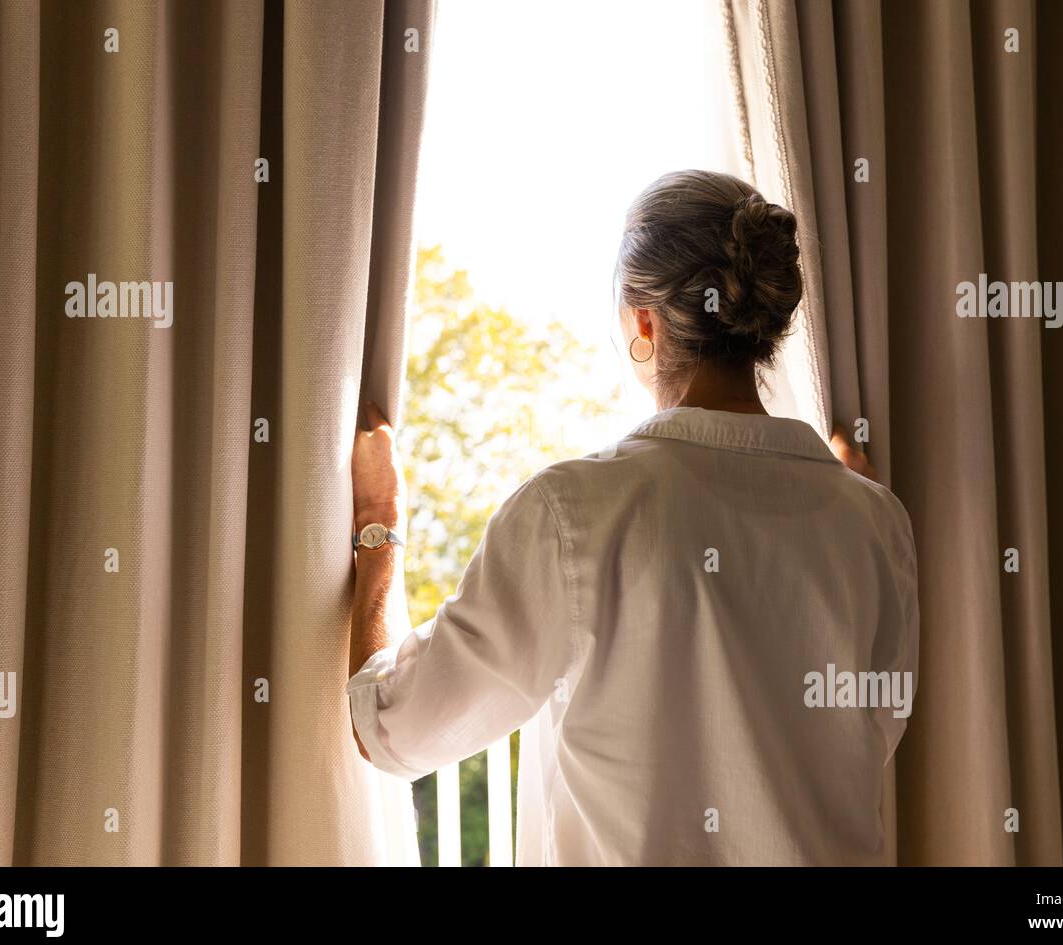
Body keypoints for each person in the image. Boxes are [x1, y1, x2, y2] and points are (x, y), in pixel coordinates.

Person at [347, 170, 918, 866]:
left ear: (643, 321)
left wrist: (377, 529)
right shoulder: (876, 521)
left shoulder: (572, 514)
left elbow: (396, 728)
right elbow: (867, 735)